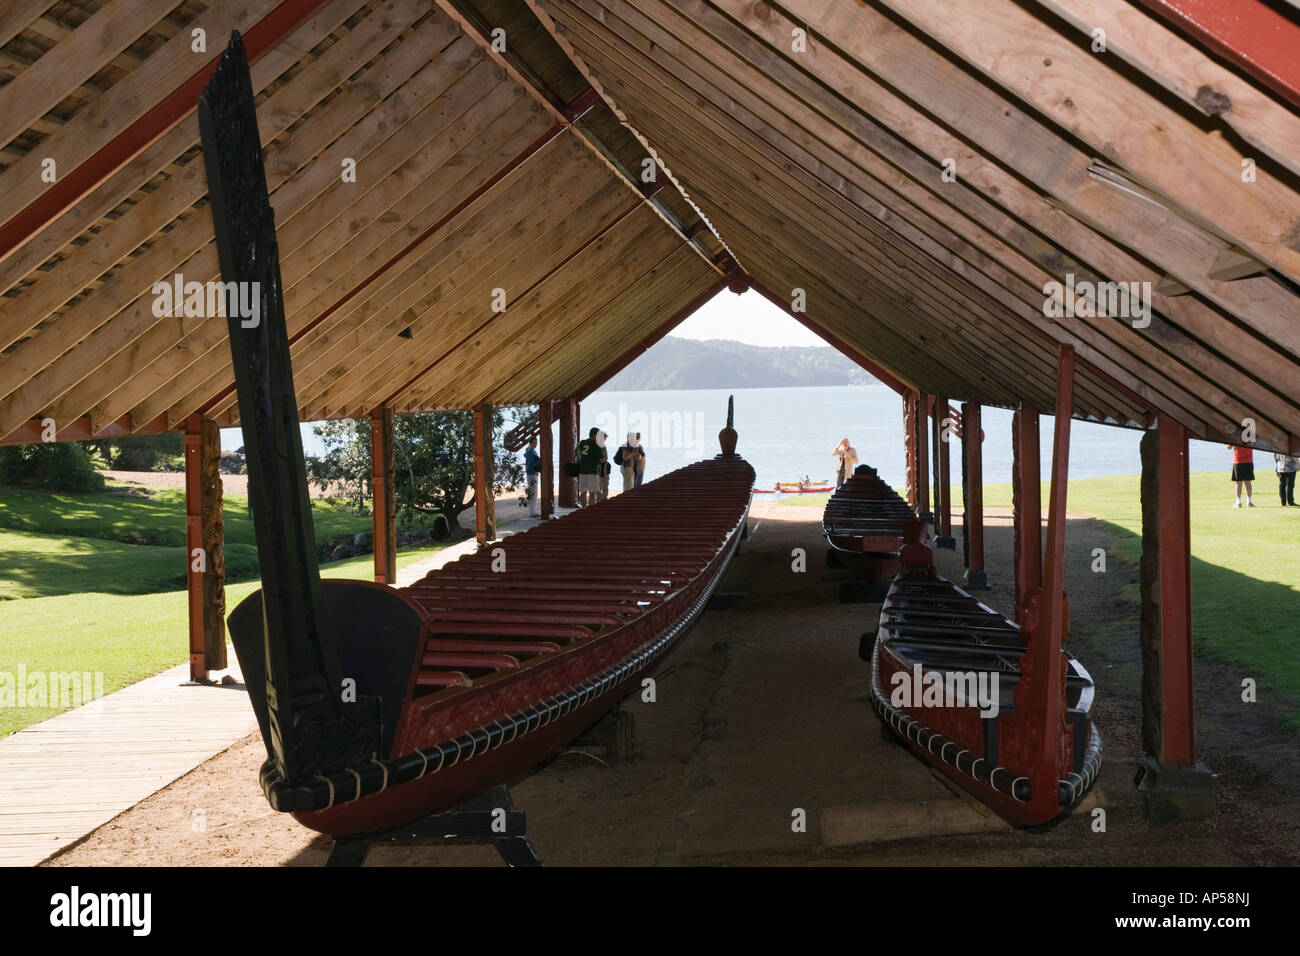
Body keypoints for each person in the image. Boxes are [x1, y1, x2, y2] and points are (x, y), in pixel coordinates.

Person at [575, 427, 605, 508]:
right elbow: (602, 460)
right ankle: (590, 509)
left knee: (583, 492)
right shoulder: (596, 445)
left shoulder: (582, 443)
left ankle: (583, 508)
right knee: (592, 492)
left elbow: (576, 454)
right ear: (595, 435)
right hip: (592, 471)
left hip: (582, 471)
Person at [1229, 443, 1254, 508]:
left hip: (1238, 461)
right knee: (1248, 482)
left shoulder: (1235, 435)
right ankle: (1249, 502)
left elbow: (1229, 447)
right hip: (1248, 461)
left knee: (1238, 483)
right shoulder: (1251, 434)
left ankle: (1238, 502)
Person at [523, 437, 541, 517]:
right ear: (530, 443)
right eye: (533, 442)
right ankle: (532, 512)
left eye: (536, 442)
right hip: (531, 473)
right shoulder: (530, 452)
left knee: (534, 493)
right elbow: (531, 464)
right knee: (533, 493)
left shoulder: (533, 451)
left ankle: (532, 511)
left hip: (534, 473)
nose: (535, 444)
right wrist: (539, 461)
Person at [596, 430, 610, 502]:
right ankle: (599, 498)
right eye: (605, 437)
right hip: (599, 466)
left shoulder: (603, 445)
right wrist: (602, 459)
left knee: (605, 483)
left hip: (604, 466)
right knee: (599, 483)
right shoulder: (597, 445)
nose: (605, 438)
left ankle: (604, 498)